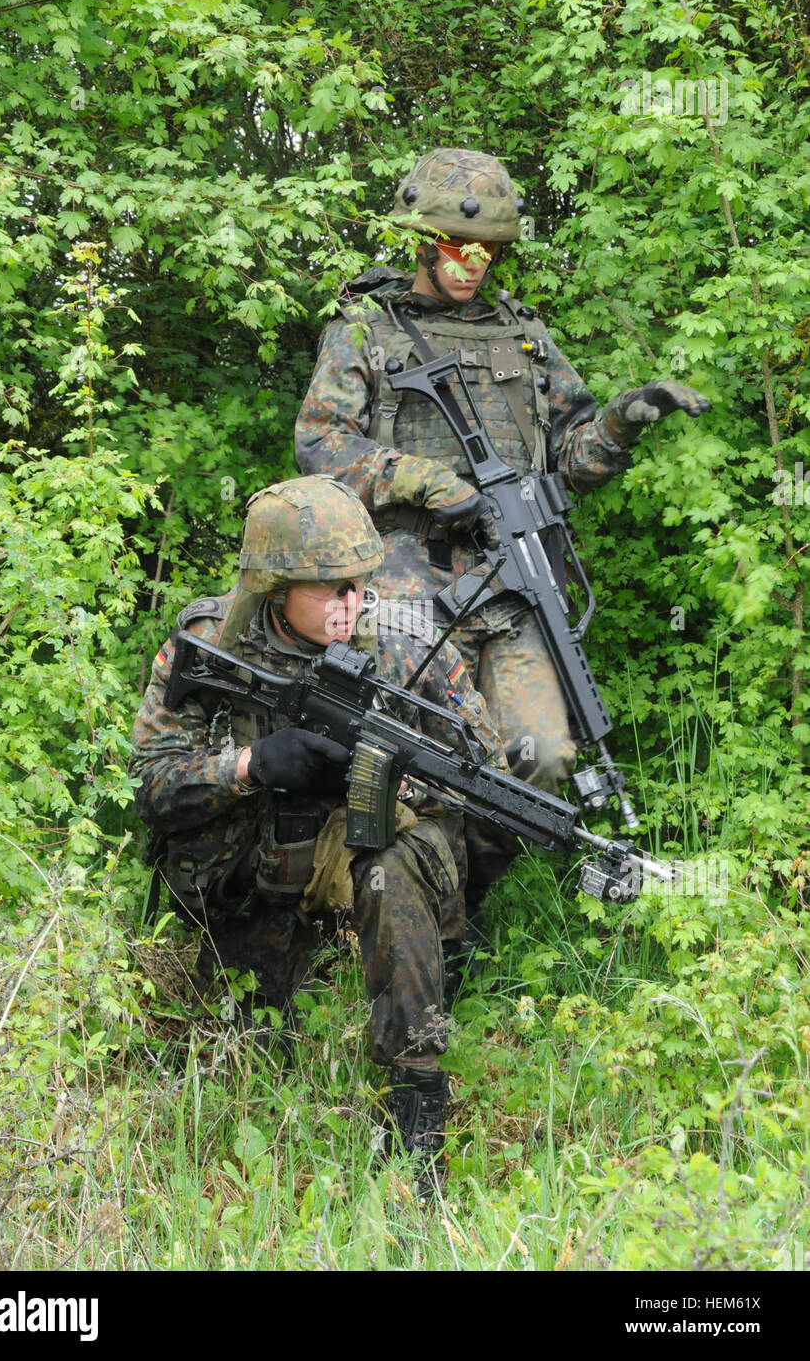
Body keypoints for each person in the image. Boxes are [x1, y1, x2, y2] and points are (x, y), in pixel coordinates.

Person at [294, 147, 711, 904]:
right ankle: (406, 918)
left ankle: (468, 897)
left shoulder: (523, 336)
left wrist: (623, 419)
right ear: (423, 241)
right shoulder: (365, 329)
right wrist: (421, 480)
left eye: (486, 250)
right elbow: (321, 444)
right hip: (406, 582)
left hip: (513, 583)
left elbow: (572, 460)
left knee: (544, 756)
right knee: (422, 753)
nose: (471, 263)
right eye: (457, 247)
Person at [129, 475, 506, 1187]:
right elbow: (148, 786)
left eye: (359, 585)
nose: (351, 604)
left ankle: (415, 1098)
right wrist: (249, 764)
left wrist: (384, 776)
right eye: (329, 589)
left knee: (399, 867)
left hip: (358, 855)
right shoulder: (210, 643)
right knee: (248, 1060)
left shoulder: (405, 642)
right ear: (274, 587)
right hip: (253, 871)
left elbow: (480, 769)